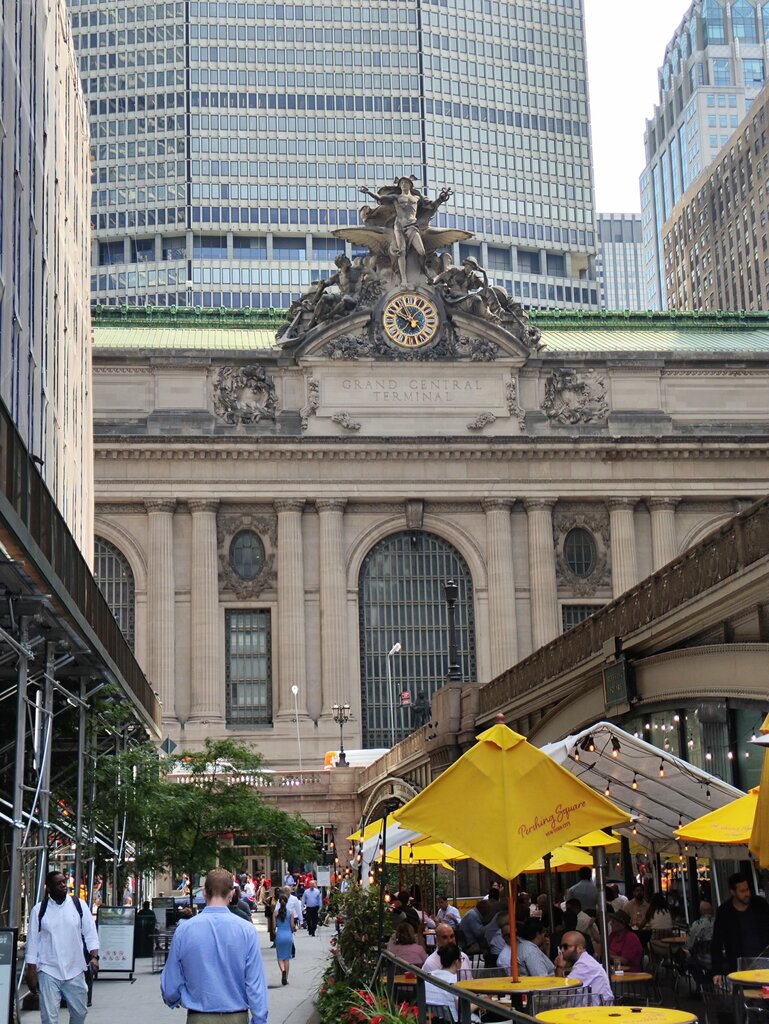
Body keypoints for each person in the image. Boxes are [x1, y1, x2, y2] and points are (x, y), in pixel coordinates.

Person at [161, 867, 268, 1024]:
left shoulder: (184, 930)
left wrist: (177, 996)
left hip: (199, 1016)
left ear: (204, 892)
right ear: (231, 894)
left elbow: (171, 981)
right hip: (236, 1017)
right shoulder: (247, 931)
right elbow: (255, 983)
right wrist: (259, 1019)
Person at [24, 870, 100, 1024]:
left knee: (80, 1012)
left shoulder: (79, 905)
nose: (63, 885)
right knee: (49, 1018)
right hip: (48, 970)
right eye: (58, 883)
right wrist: (30, 970)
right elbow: (32, 942)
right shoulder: (39, 910)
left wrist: (94, 957)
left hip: (75, 968)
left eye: (64, 882)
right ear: (48, 888)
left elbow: (91, 933)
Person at [711, 871, 769, 983]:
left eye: (747, 889)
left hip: (764, 962)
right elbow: (716, 943)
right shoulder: (724, 912)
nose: (747, 893)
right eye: (742, 891)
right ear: (733, 892)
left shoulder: (760, 905)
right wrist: (717, 971)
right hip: (739, 967)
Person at [554, 930, 614, 1006]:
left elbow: (561, 993)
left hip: (596, 1013)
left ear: (580, 948)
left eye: (566, 947)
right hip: (593, 1010)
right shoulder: (585, 961)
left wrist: (559, 967)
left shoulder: (584, 965)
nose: (562, 951)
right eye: (561, 947)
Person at [424, 943, 462, 1021]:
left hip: (430, 1020)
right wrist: (480, 1003)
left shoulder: (428, 977)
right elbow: (462, 1008)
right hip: (452, 1021)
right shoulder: (455, 980)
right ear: (457, 961)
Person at [607, 909, 644, 973]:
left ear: (623, 925)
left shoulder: (631, 938)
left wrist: (607, 954)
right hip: (615, 970)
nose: (611, 924)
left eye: (613, 922)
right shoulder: (613, 935)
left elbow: (624, 960)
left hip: (630, 973)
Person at [274, 893, 296, 986]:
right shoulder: (290, 912)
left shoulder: (275, 912)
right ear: (286, 902)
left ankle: (282, 970)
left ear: (279, 902)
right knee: (286, 958)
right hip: (288, 935)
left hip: (279, 935)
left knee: (280, 957)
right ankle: (286, 978)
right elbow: (292, 926)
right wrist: (294, 929)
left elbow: (274, 926)